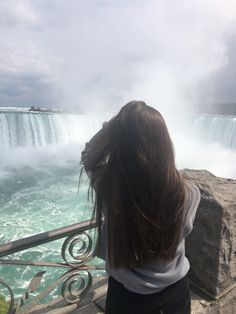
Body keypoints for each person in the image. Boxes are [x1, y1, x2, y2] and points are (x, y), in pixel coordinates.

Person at [81, 101, 200, 314]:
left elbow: (88, 157)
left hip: (126, 299)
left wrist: (113, 126)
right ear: (164, 143)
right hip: (175, 294)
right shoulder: (190, 192)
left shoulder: (109, 189)